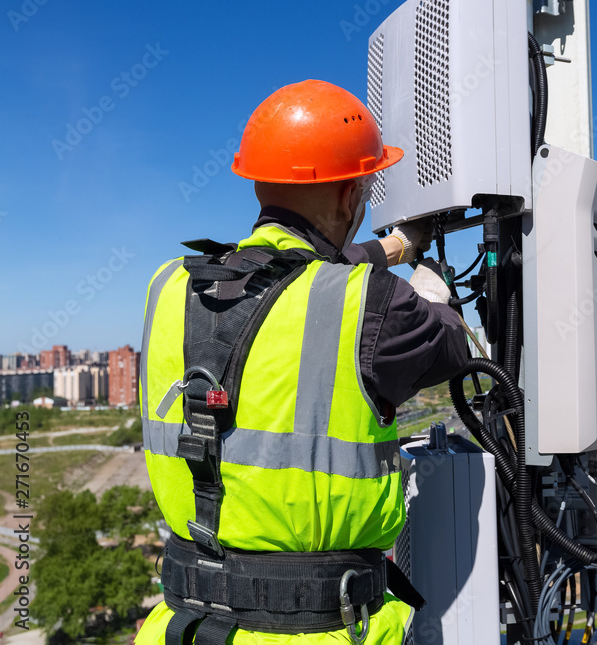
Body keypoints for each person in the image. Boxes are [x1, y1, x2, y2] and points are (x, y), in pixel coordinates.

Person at [135, 80, 469, 645]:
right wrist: (432, 292)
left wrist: (393, 249)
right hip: (318, 628)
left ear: (260, 184)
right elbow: (452, 346)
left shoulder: (170, 285)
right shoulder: (375, 304)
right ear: (350, 198)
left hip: (186, 625)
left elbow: (280, 276)